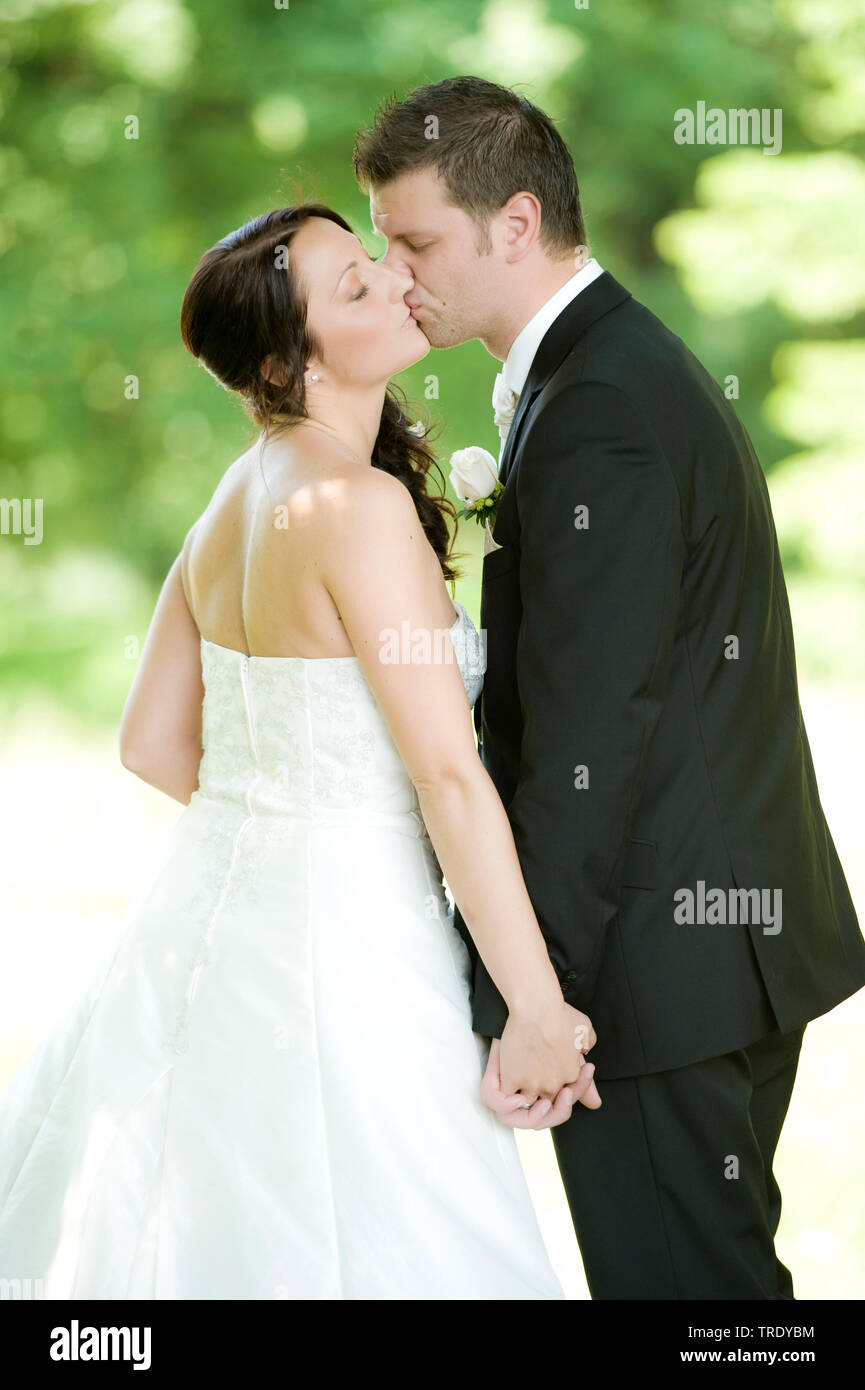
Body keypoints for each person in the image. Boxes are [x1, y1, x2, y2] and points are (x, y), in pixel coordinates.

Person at [0, 201, 604, 1300]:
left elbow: (150, 742)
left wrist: (281, 817)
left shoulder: (232, 499)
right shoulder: (355, 505)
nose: (391, 281)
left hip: (215, 919)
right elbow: (447, 776)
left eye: (374, 262)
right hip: (361, 938)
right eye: (355, 288)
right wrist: (535, 1008)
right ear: (288, 361)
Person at [353, 74, 865, 1299]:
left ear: (515, 224)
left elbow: (592, 734)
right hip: (719, 936)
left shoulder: (601, 410)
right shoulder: (602, 367)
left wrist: (539, 999)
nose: (401, 272)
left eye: (417, 240)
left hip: (656, 967)